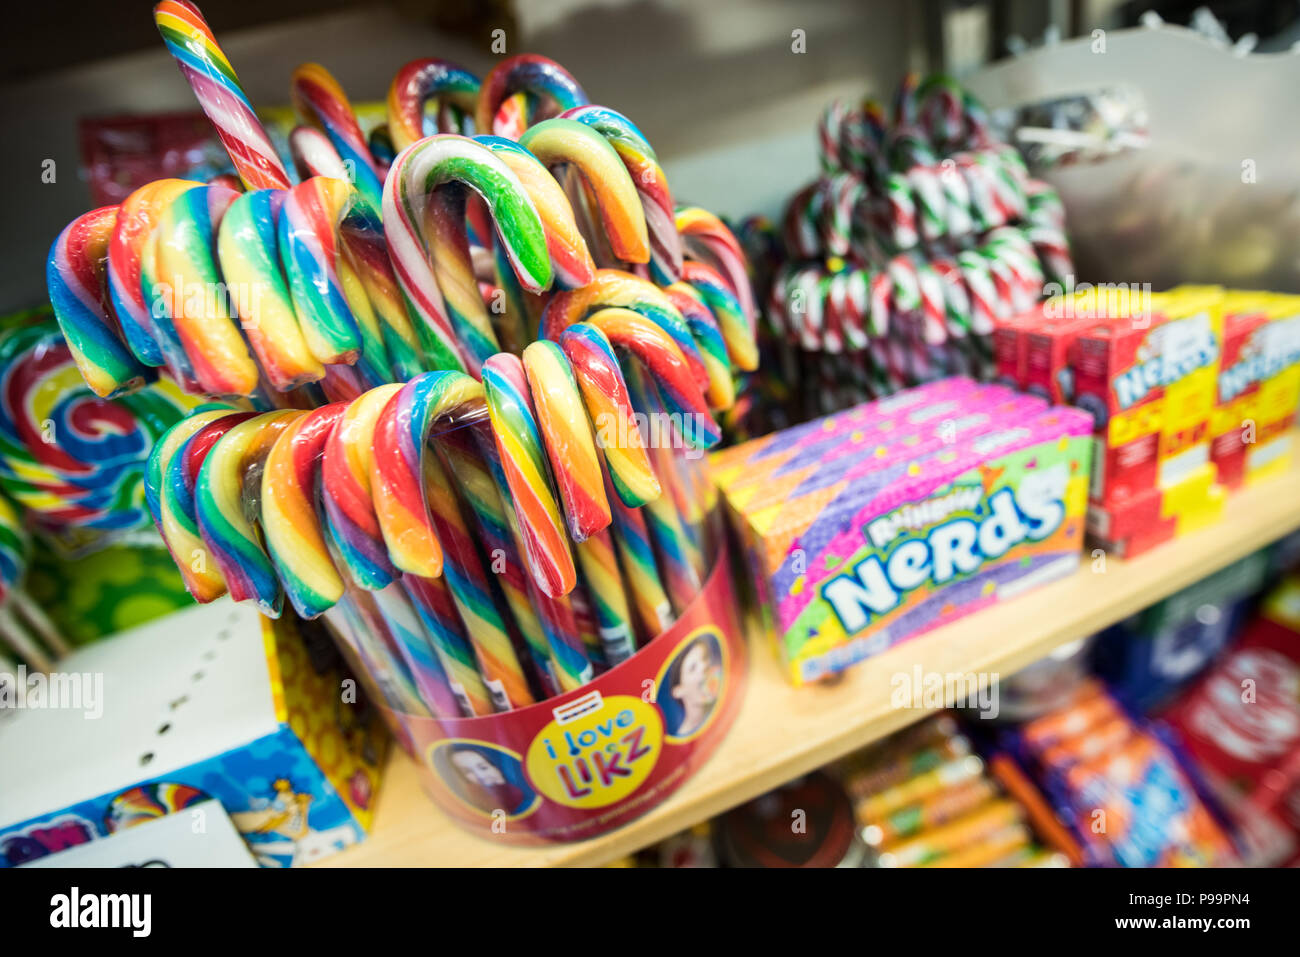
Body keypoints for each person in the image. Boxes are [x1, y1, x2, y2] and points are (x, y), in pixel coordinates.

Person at [448, 747, 526, 814]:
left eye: (483, 768)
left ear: (496, 767)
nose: (480, 776)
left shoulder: (524, 797)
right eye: (467, 772)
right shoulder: (474, 806)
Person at [668, 637, 721, 737]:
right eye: (693, 668)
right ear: (678, 691)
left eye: (705, 658)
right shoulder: (682, 736)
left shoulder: (719, 707)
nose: (704, 665)